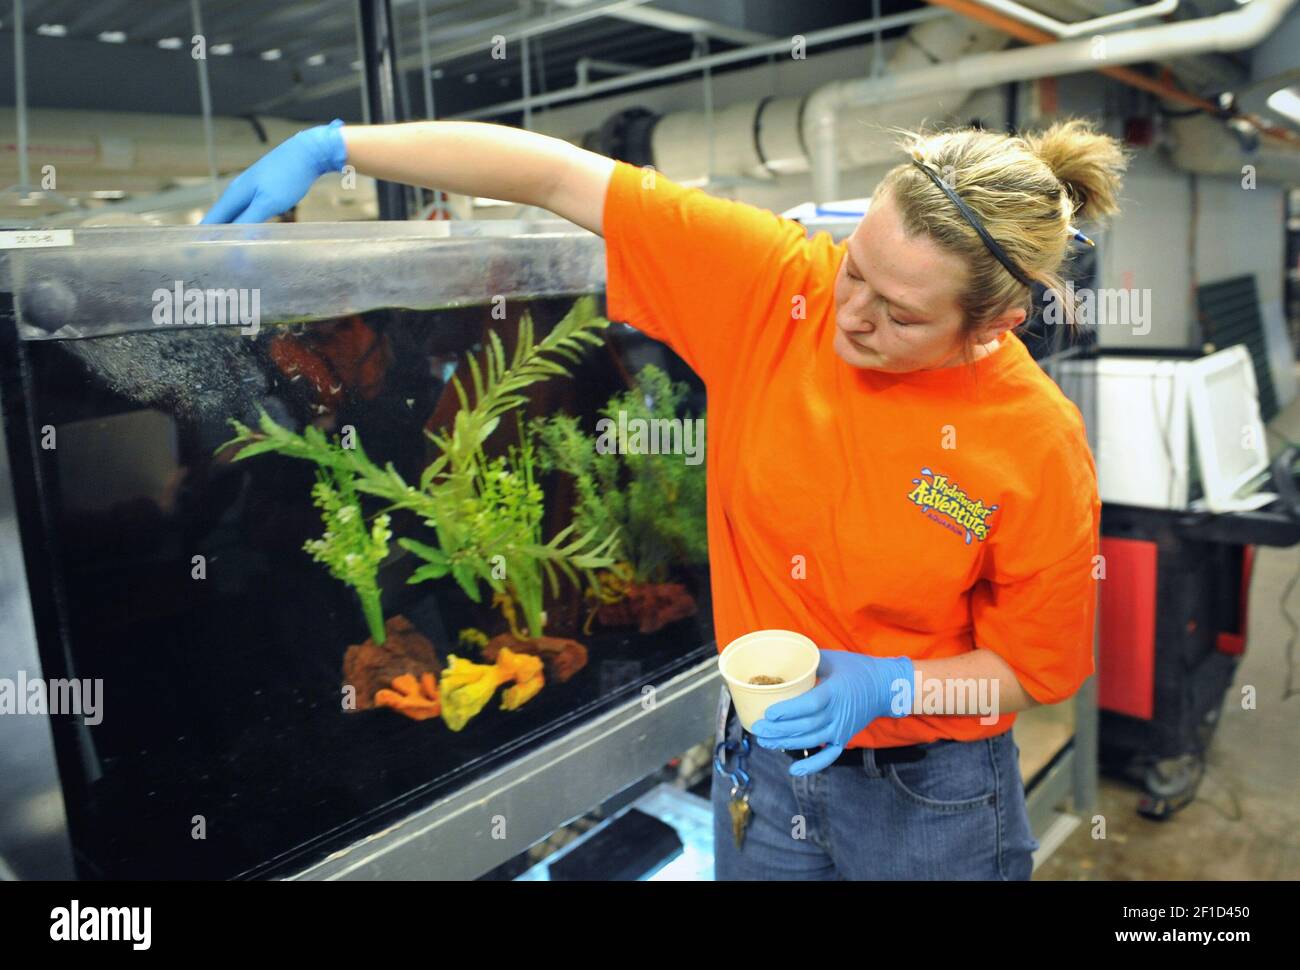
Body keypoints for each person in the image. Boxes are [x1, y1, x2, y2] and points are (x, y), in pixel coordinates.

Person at [202, 115, 1127, 880]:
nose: (851, 315)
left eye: (901, 312)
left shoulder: (1033, 444)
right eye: (855, 269)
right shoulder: (779, 291)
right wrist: (336, 147)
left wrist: (890, 685)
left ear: (995, 324)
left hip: (931, 804)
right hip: (765, 777)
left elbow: (1038, 668)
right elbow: (559, 175)